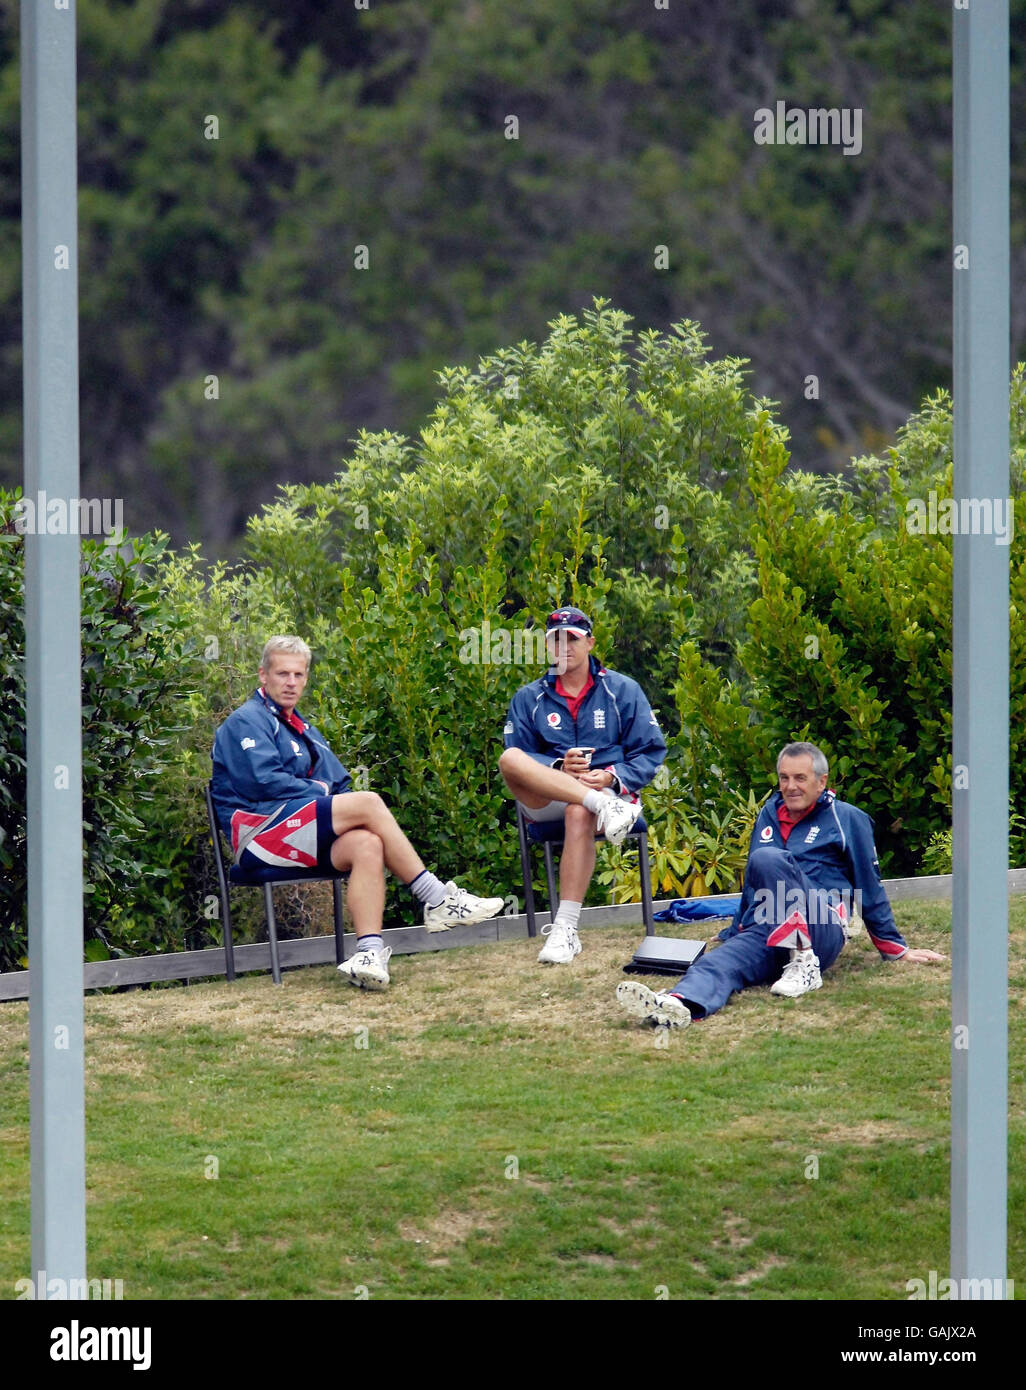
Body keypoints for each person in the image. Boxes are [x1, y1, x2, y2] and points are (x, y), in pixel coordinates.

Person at [211, 635, 504, 992]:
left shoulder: (303, 729)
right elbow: (264, 783)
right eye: (282, 673)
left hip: (298, 833)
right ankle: (438, 899)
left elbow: (340, 782)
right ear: (263, 675)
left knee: (366, 843)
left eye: (299, 675)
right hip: (258, 840)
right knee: (368, 803)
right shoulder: (245, 721)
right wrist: (322, 792)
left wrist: (331, 797)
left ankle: (368, 953)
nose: (291, 683)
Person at [616, 741, 945, 1027]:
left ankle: (804, 963)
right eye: (784, 778)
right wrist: (736, 929)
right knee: (720, 961)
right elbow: (753, 883)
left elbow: (868, 885)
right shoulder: (768, 814)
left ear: (821, 781)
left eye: (800, 778)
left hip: (822, 926)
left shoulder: (848, 819)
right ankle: (678, 1004)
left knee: (769, 859)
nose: (791, 786)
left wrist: (894, 949)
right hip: (769, 923)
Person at [498, 607, 666, 964]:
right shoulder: (528, 697)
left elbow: (652, 751)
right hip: (548, 796)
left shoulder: (623, 690)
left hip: (609, 791)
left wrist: (611, 777)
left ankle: (565, 929)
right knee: (509, 760)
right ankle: (598, 802)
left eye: (572, 639)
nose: (563, 647)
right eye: (555, 639)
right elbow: (520, 757)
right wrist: (558, 766)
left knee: (580, 810)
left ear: (590, 642)